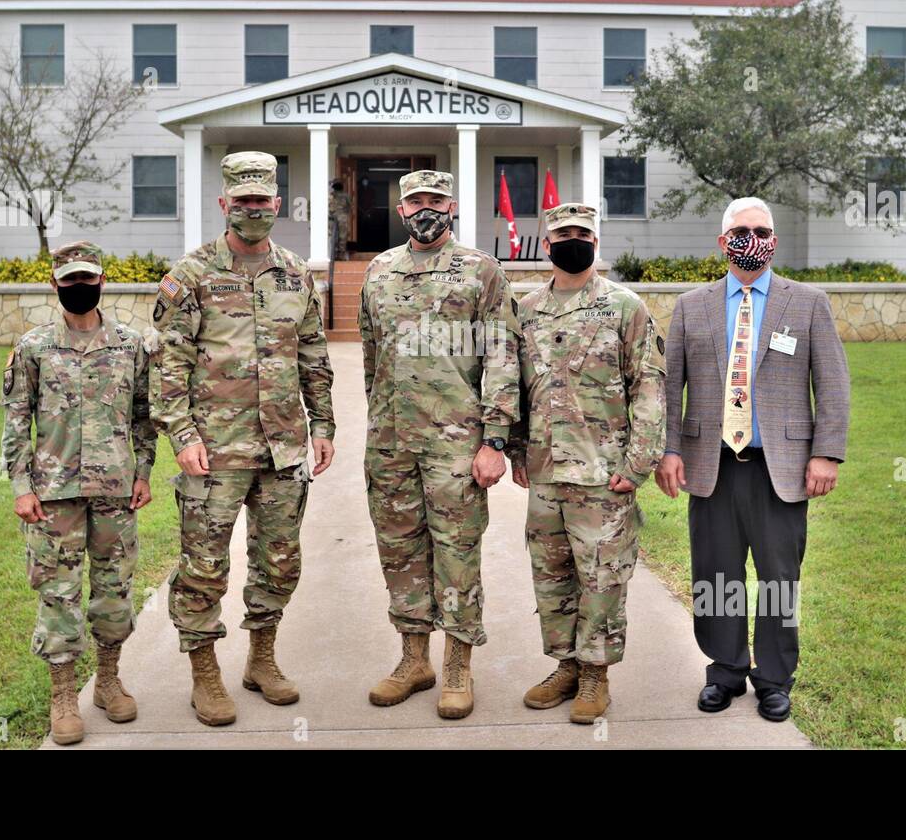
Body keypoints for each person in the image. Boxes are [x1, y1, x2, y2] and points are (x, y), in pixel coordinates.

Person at [152, 151, 335, 726]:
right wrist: (182, 435)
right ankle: (205, 674)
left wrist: (323, 424)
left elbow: (313, 354)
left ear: (277, 203)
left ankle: (261, 658)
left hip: (283, 447)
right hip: (214, 451)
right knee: (203, 566)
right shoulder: (191, 275)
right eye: (242, 201)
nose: (253, 209)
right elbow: (169, 363)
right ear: (224, 203)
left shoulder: (296, 274)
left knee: (279, 562)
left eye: (261, 200)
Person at [656, 197, 850, 722]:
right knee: (716, 576)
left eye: (762, 231)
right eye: (742, 231)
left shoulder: (807, 303)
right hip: (712, 466)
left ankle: (774, 678)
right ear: (723, 242)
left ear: (774, 241)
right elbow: (670, 389)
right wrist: (669, 449)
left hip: (779, 469)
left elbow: (832, 383)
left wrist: (826, 454)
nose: (753, 239)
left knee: (779, 578)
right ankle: (725, 670)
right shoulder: (691, 306)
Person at [358, 169, 520, 719]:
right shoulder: (379, 270)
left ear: (451, 207)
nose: (425, 208)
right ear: (401, 209)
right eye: (415, 201)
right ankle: (413, 659)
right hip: (390, 441)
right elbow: (371, 356)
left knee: (456, 552)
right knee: (399, 550)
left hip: (456, 442)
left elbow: (502, 356)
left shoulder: (481, 269)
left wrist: (495, 439)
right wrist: (378, 421)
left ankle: (456, 663)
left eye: (435, 200)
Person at [508, 203, 666, 724]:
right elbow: (514, 387)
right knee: (551, 574)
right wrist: (516, 451)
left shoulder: (624, 307)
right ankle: (567, 666)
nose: (572, 240)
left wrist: (639, 462)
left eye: (582, 232)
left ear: (595, 242)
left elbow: (648, 386)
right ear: (546, 244)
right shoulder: (526, 309)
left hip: (603, 472)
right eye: (562, 234)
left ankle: (596, 673)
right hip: (545, 470)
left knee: (602, 577)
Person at [0, 240, 157, 745]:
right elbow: (16, 421)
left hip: (115, 490)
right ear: (55, 284)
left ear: (102, 280)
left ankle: (108, 681)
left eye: (87, 278)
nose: (79, 286)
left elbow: (144, 417)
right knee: (58, 592)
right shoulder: (34, 347)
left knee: (114, 590)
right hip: (54, 494)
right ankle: (64, 695)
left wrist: (143, 472)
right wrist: (21, 487)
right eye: (70, 279)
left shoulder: (131, 345)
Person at [329, 178, 352, 261]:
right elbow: (349, 206)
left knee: (334, 236)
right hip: (342, 217)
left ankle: (335, 254)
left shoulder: (331, 195)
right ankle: (340, 254)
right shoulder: (345, 195)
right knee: (342, 236)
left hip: (333, 217)